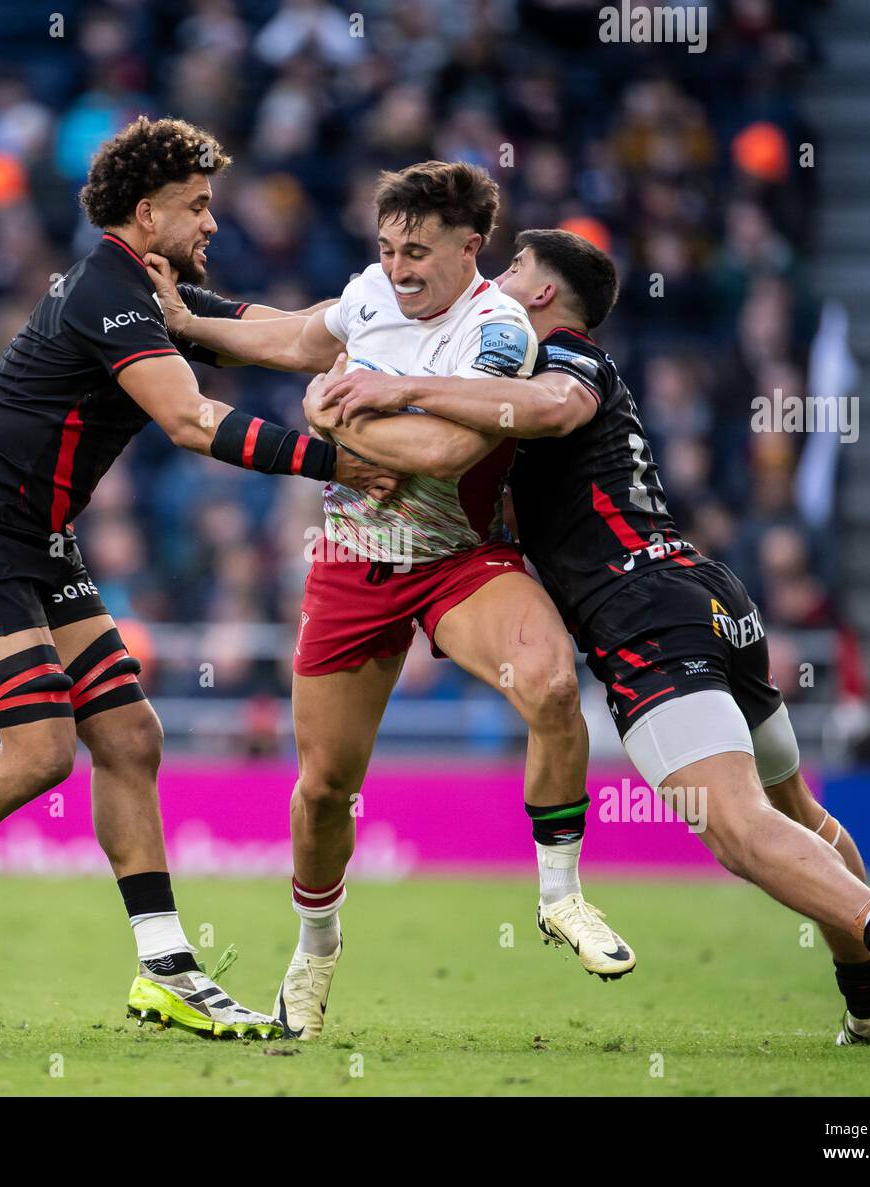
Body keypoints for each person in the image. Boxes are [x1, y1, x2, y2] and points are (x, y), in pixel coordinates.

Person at [311, 228, 870, 1053]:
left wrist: (393, 386)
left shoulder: (566, 359)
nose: (496, 280)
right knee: (796, 810)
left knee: (731, 824)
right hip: (707, 596)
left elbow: (547, 409)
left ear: (547, 294)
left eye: (513, 267)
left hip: (643, 615)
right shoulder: (496, 367)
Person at [0, 115, 396, 1042]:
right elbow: (190, 422)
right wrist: (333, 462)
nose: (213, 222)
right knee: (44, 750)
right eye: (197, 206)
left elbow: (291, 341)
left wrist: (387, 328)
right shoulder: (108, 290)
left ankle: (166, 969)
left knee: (130, 736)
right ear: (147, 212)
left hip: (36, 538)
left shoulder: (157, 294)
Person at [145, 161, 636, 1041]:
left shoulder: (497, 331)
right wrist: (188, 322)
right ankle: (316, 946)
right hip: (352, 559)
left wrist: (335, 420)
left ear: (468, 249)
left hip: (459, 559)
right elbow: (302, 338)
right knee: (326, 789)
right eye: (387, 248)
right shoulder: (371, 293)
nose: (399, 268)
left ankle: (561, 896)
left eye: (417, 251)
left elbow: (445, 451)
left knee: (554, 685)